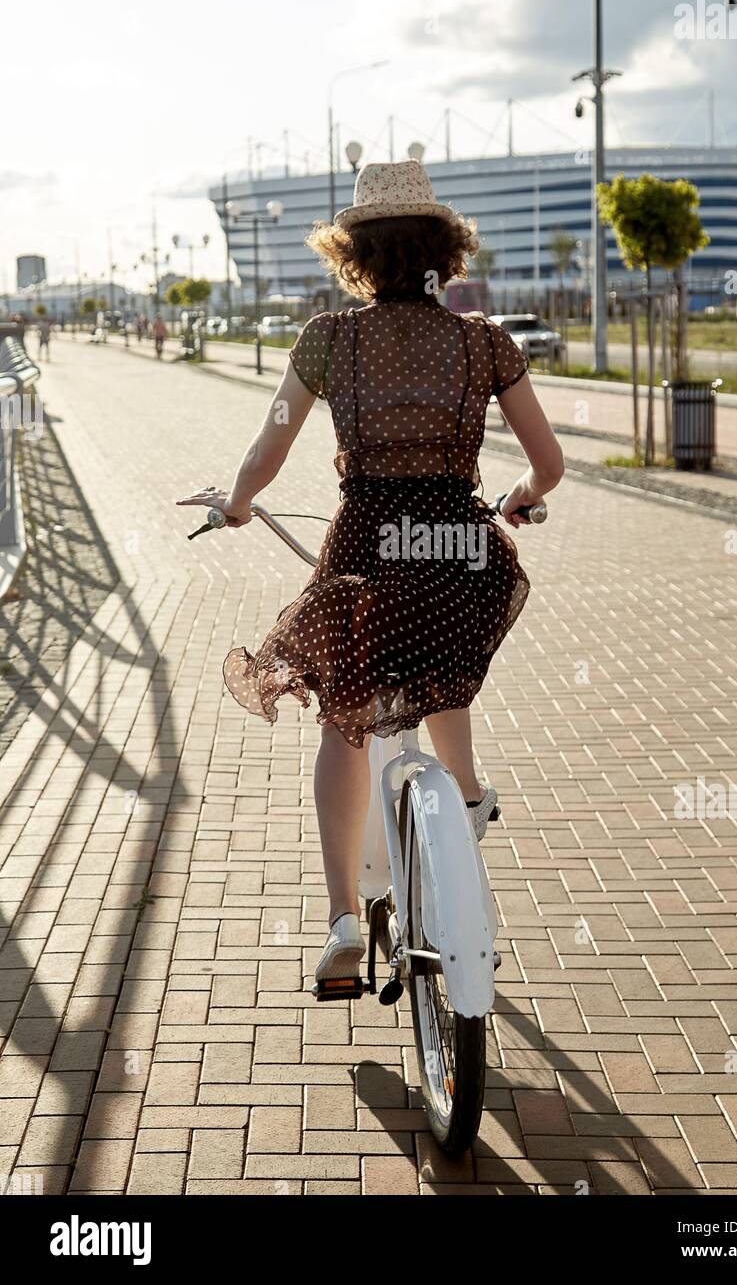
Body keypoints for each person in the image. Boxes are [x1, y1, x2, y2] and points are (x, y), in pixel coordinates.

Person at [177, 159, 564, 985]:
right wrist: (522, 498)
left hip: (364, 547)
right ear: (443, 252)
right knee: (446, 663)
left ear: (354, 254)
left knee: (343, 722)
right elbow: (549, 462)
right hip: (461, 544)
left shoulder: (328, 340)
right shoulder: (485, 342)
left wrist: (237, 502)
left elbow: (267, 449)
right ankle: (463, 791)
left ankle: (341, 922)